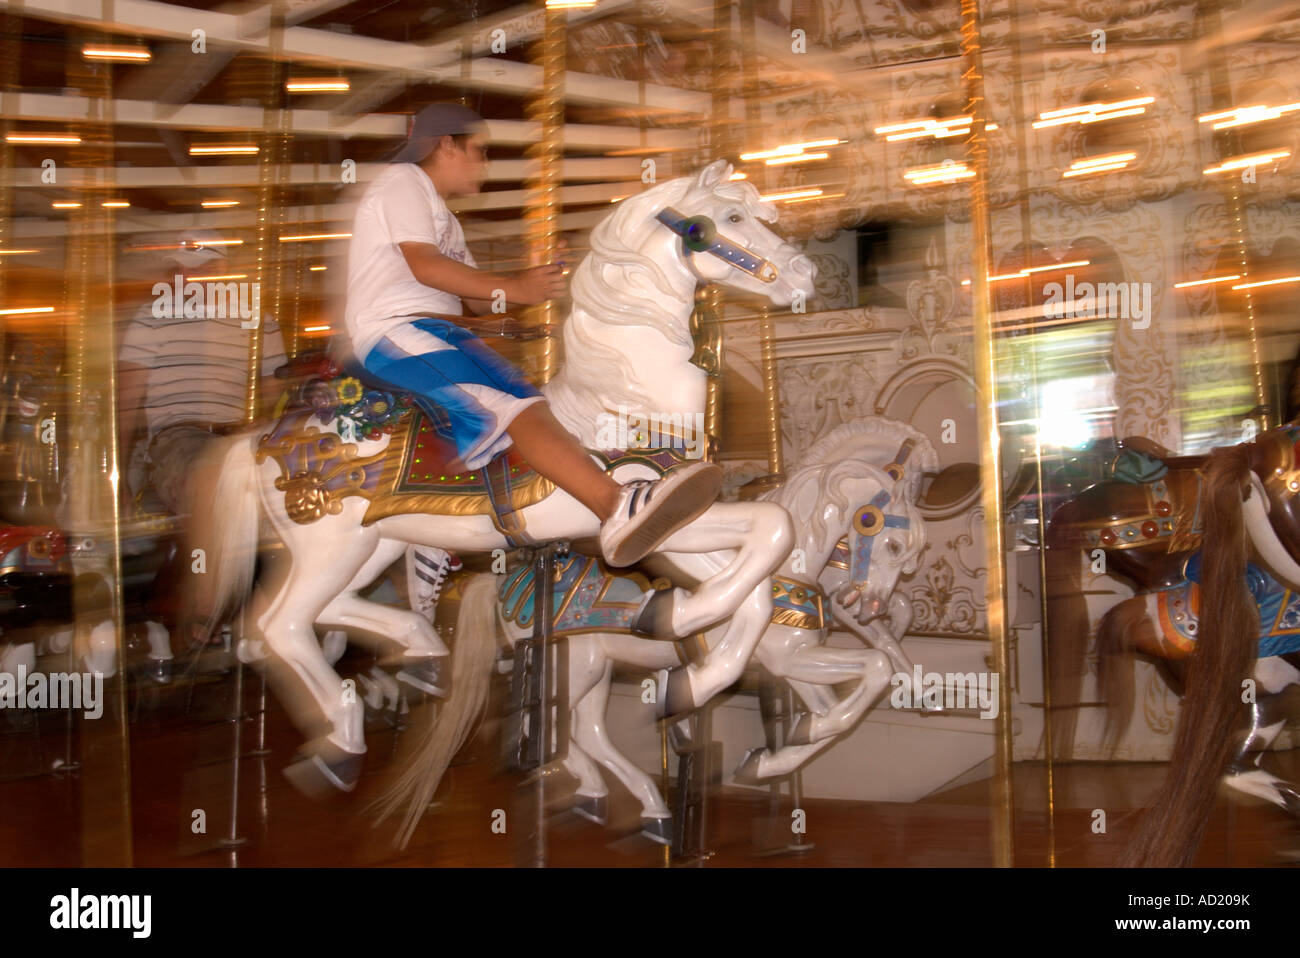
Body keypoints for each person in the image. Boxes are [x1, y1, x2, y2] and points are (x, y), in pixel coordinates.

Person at [345, 103, 720, 567]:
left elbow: (479, 301)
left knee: (533, 404)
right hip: (394, 331)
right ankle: (614, 505)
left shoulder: (444, 217)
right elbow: (425, 266)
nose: (484, 163)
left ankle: (489, 513)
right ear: (446, 145)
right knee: (508, 409)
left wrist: (530, 277)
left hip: (437, 330)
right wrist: (518, 287)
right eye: (478, 151)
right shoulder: (403, 182)